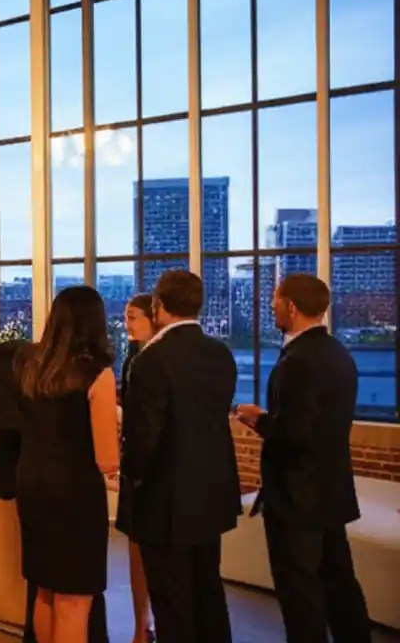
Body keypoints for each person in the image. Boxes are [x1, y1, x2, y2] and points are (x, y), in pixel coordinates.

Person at [235, 274, 372, 643]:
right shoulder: (339, 354)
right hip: (331, 492)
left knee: (301, 594)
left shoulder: (297, 360)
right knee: (339, 584)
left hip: (297, 498)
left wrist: (257, 419)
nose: (271, 305)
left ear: (291, 307)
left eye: (275, 299)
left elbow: (296, 433)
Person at [122, 270, 240, 643]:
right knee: (209, 590)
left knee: (173, 602)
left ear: (158, 306)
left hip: (166, 499)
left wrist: (130, 476)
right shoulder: (221, 354)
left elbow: (144, 439)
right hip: (212, 492)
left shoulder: (150, 361)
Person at [0, 286, 119, 643]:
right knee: (75, 601)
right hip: (75, 495)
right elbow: (106, 458)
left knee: (45, 591)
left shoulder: (29, 366)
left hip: (32, 483)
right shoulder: (97, 374)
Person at [114, 293, 157, 643]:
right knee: (136, 546)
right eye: (125, 318)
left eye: (133, 318)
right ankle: (141, 622)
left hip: (153, 468)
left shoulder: (157, 362)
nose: (127, 325)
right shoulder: (131, 360)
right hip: (134, 464)